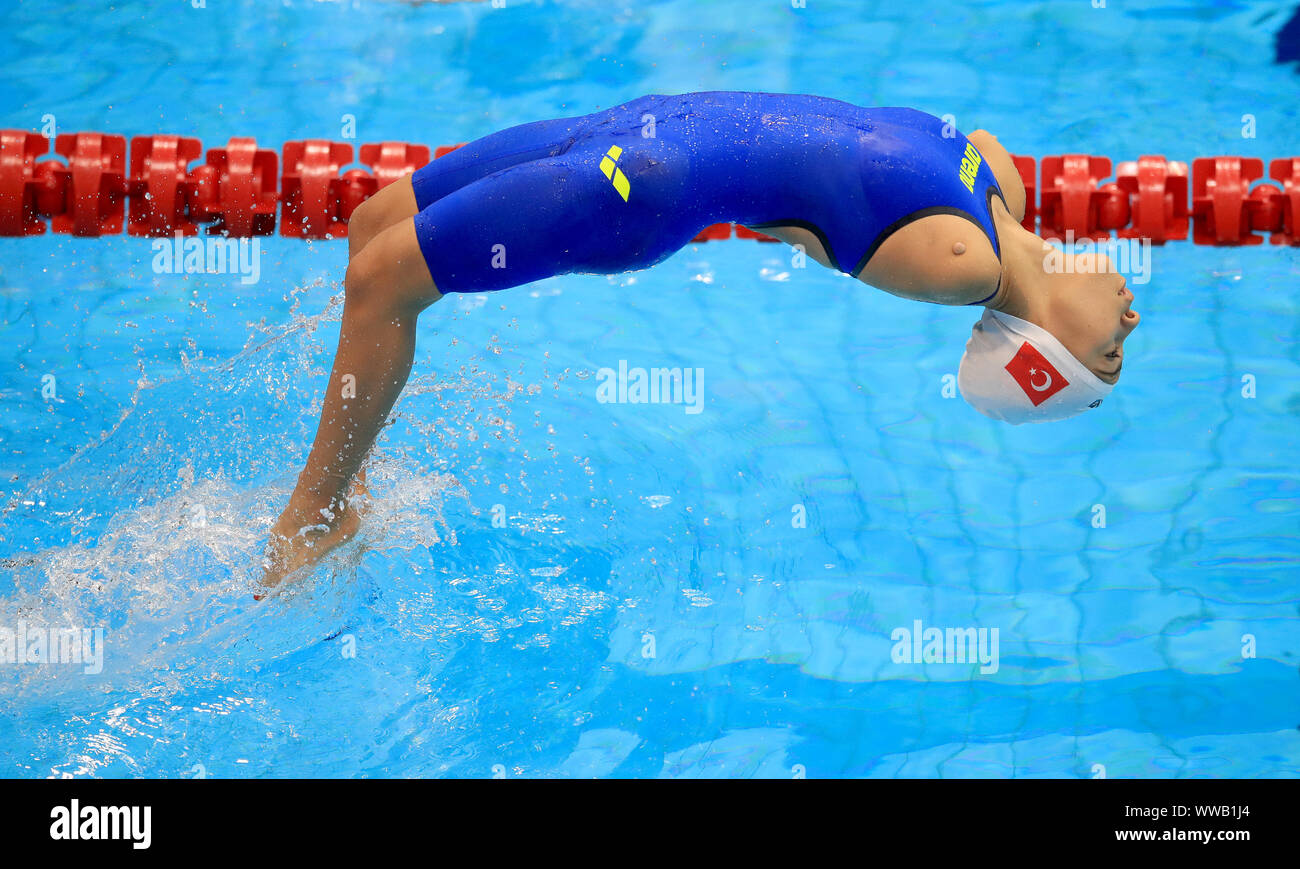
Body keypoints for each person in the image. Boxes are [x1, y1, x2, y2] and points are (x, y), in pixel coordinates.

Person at [258, 91, 1141, 591]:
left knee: (384, 285)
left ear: (1040, 343)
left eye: (1109, 354)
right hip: (637, 123)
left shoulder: (963, 263)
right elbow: (966, 146)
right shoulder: (1006, 203)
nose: (1130, 322)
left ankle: (314, 520)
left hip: (642, 185)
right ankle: (354, 472)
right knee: (375, 220)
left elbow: (807, 226)